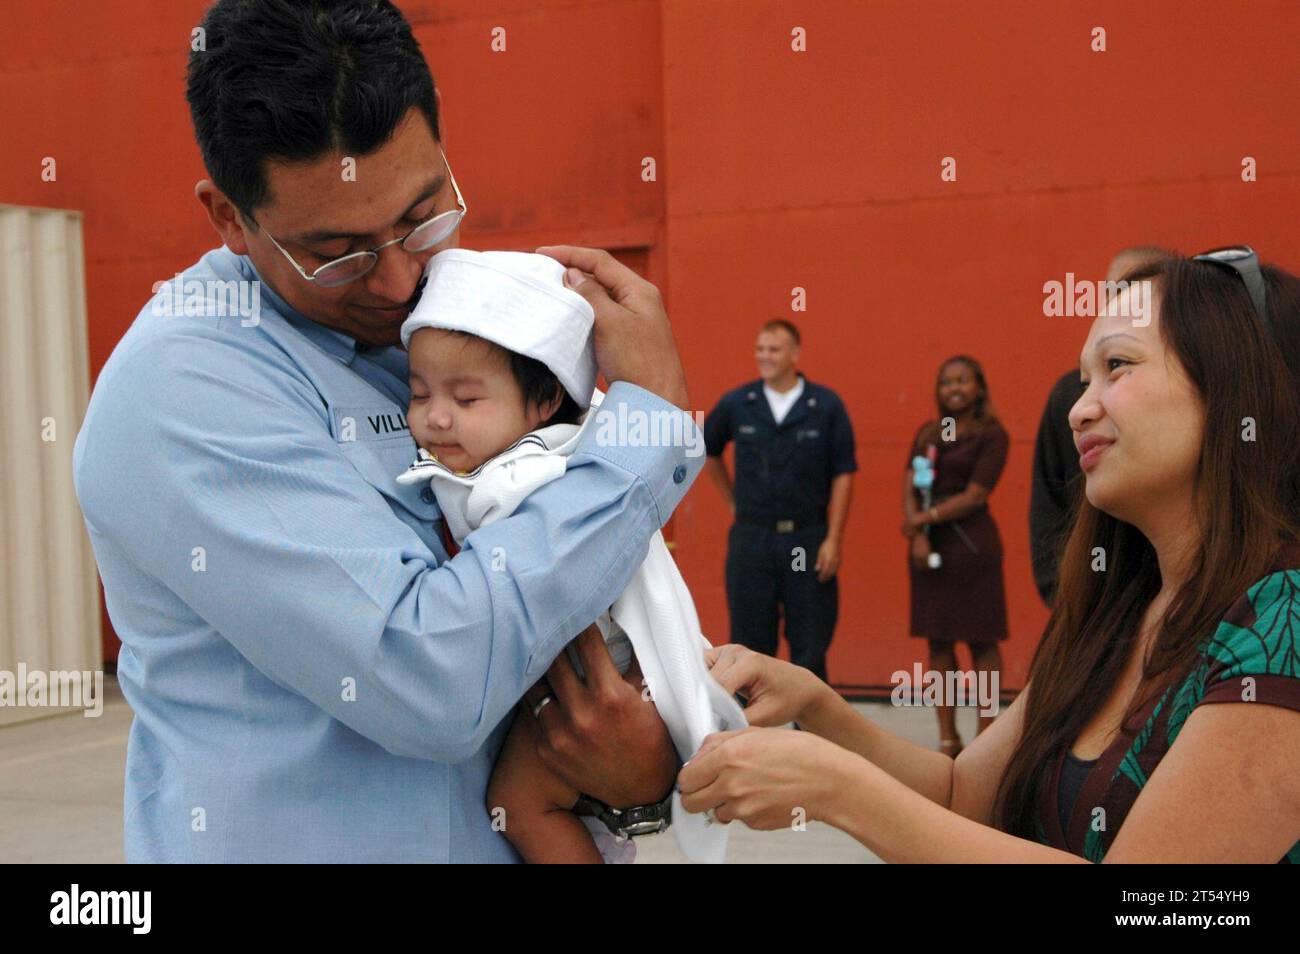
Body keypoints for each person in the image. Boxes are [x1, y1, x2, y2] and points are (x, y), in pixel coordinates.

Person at [71, 0, 702, 862]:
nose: (400, 279)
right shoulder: (186, 390)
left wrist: (634, 770)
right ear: (227, 216)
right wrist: (644, 427)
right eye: (336, 252)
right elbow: (432, 680)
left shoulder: (444, 325)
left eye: (421, 215)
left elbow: (596, 581)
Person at [678, 248, 1300, 862]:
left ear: (1230, 385)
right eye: (1085, 380)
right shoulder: (1114, 610)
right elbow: (962, 796)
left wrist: (837, 790)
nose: (1079, 409)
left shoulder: (1282, 627)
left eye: (1119, 366)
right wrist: (815, 703)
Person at [394, 249, 744, 864]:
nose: (435, 416)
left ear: (544, 400)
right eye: (419, 393)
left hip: (594, 672)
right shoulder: (566, 449)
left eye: (467, 399)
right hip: (592, 671)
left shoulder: (523, 474)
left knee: (521, 802)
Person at [702, 320, 856, 683]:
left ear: (795, 354)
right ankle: (754, 737)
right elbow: (706, 449)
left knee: (810, 644)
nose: (764, 356)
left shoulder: (825, 406)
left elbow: (844, 473)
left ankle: (808, 737)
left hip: (807, 538)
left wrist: (834, 539)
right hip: (752, 540)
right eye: (760, 349)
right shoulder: (740, 403)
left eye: (773, 349)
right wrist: (733, 501)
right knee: (749, 647)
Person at [1030, 246, 1176, 606]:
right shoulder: (1067, 398)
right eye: (1111, 295)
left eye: (1120, 367)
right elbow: (1048, 505)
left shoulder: (1264, 615)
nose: (1082, 412)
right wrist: (1063, 591)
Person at [903, 356, 1010, 754]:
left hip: (973, 549)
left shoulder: (992, 435)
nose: (954, 388)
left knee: (982, 642)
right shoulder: (929, 433)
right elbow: (909, 481)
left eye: (963, 381)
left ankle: (988, 739)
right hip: (930, 547)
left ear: (979, 387)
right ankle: (948, 737)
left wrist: (925, 518)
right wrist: (917, 531)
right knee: (938, 643)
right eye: (947, 381)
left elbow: (976, 495)